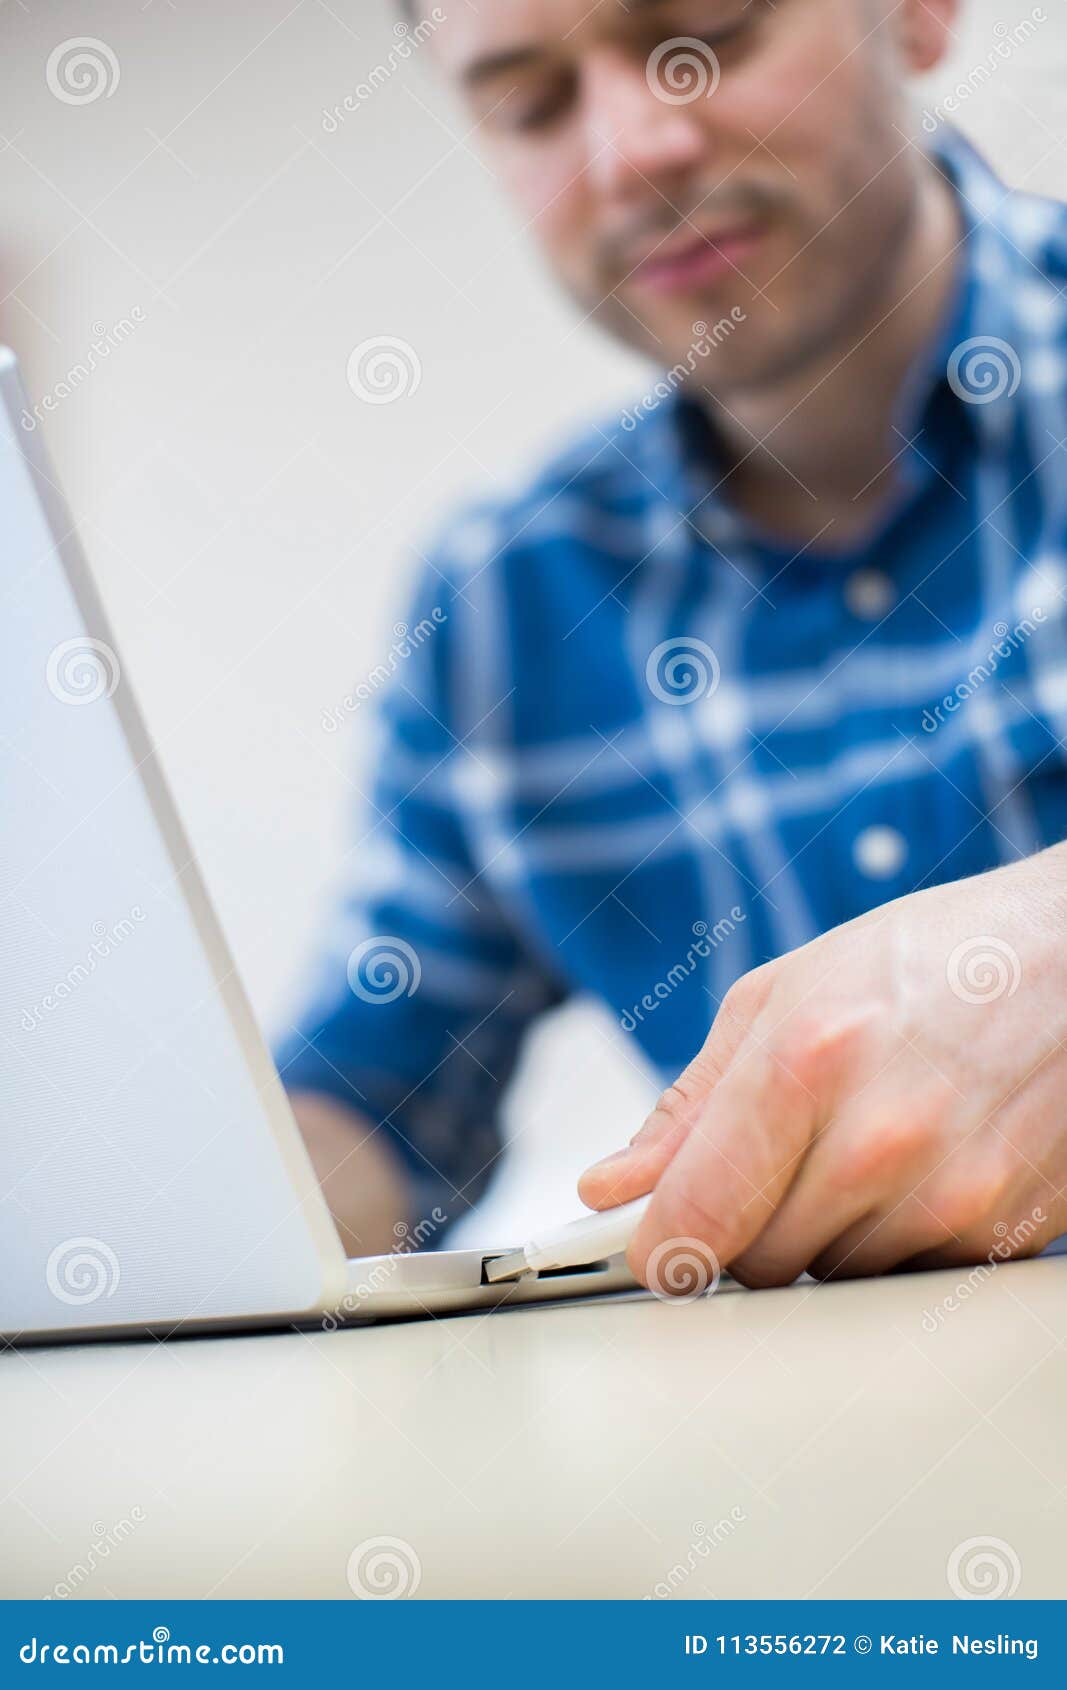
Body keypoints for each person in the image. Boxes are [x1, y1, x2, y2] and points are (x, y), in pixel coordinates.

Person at [277, 0, 1067, 1289]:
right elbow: (373, 1104)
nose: (632, 152)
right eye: (531, 105)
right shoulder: (505, 613)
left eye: (705, 33)